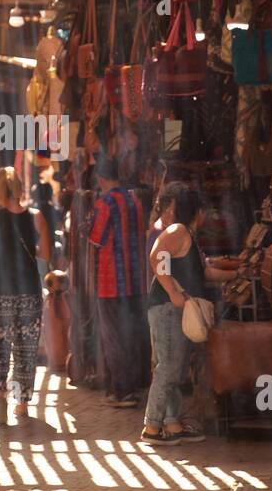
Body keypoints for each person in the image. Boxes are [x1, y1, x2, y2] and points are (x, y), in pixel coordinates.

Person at [142, 186, 233, 445]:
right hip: (167, 308)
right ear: (199, 211)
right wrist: (172, 291)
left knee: (174, 366)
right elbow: (156, 256)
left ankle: (171, 424)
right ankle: (151, 426)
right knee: (169, 367)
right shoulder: (178, 231)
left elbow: (204, 274)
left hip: (172, 310)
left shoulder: (187, 234)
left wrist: (238, 274)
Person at [0, 166, 51, 424]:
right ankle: (21, 404)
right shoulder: (36, 216)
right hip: (29, 293)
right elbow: (45, 254)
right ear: (21, 189)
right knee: (25, 348)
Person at [88, 157, 148, 408]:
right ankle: (135, 385)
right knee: (132, 333)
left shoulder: (104, 203)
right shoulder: (135, 200)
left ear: (101, 178)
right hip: (135, 280)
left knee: (113, 337)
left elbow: (96, 241)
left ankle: (123, 391)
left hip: (111, 281)